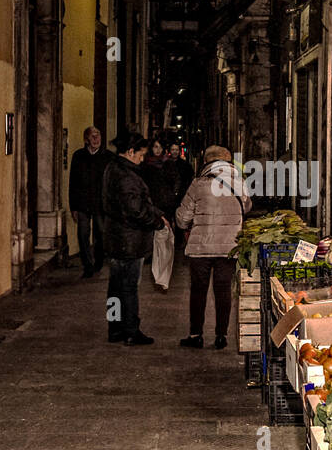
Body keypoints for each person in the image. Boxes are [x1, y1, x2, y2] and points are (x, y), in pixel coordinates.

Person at [175, 146, 251, 350]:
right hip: (229, 247)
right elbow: (246, 207)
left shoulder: (198, 184)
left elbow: (182, 219)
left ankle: (196, 335)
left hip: (201, 247)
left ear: (206, 162)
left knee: (198, 291)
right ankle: (221, 336)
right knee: (223, 290)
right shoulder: (240, 182)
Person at [102, 131, 168, 345]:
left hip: (115, 237)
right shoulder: (126, 176)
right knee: (129, 287)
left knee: (115, 287)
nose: (142, 159)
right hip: (129, 240)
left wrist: (156, 213)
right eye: (140, 154)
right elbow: (135, 210)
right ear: (130, 152)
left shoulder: (112, 168)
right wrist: (156, 221)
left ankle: (114, 328)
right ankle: (131, 330)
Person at [69, 125, 113, 278]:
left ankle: (98, 262)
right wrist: (73, 206)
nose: (96, 139)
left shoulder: (108, 157)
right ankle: (87, 266)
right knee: (83, 235)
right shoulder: (78, 156)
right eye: (92, 136)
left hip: (100, 204)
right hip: (82, 203)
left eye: (98, 135)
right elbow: (73, 182)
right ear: (86, 139)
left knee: (101, 234)